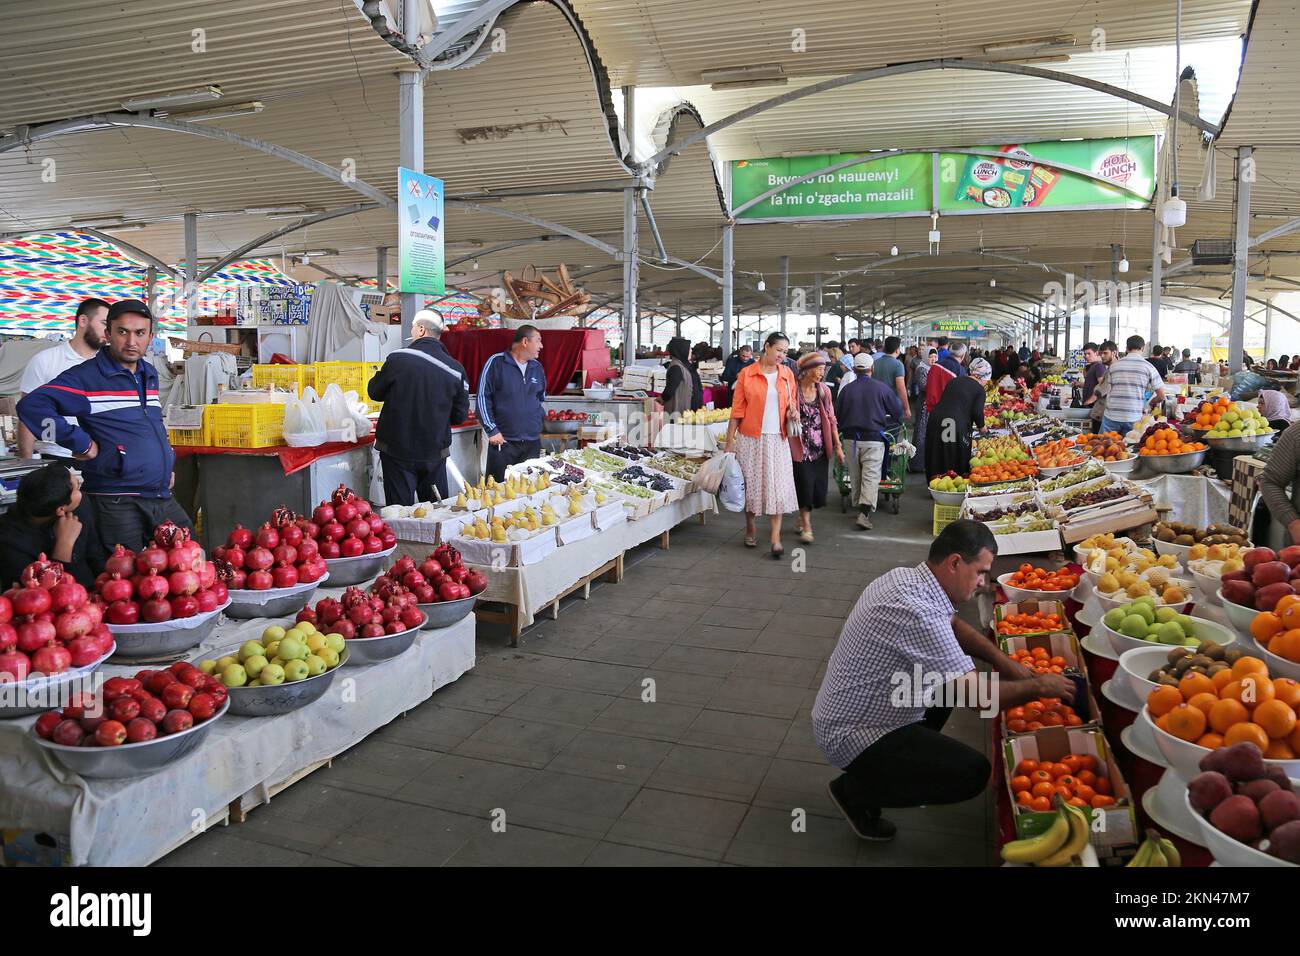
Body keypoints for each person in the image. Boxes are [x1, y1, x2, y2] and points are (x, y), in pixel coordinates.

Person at [815, 519, 1074, 840]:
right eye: (980, 572)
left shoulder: (905, 579)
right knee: (972, 773)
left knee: (945, 686)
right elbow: (980, 699)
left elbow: (952, 625)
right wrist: (1041, 686)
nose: (982, 583)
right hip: (852, 734)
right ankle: (856, 792)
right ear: (954, 562)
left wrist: (1005, 663)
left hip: (859, 707)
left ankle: (885, 769)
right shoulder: (918, 612)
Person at [17, 299, 190, 553]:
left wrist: (163, 462)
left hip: (160, 495)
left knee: (191, 557)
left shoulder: (147, 373)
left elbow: (148, 425)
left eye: (140, 333)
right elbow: (29, 408)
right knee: (128, 575)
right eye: (122, 332)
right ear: (108, 334)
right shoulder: (86, 377)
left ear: (150, 337)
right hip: (117, 500)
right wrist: (79, 442)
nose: (132, 341)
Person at [368, 310, 470, 505]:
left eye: (413, 326)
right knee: (436, 511)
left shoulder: (398, 359)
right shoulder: (456, 369)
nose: (412, 330)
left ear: (421, 329)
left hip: (397, 451)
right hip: (434, 452)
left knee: (399, 514)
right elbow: (459, 416)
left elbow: (375, 392)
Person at [723, 332, 800, 558]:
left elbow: (792, 402)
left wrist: (793, 411)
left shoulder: (787, 375)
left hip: (778, 438)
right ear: (767, 347)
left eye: (785, 352)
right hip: (750, 439)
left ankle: (775, 538)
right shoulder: (747, 374)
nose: (782, 356)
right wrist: (730, 442)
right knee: (752, 485)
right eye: (779, 350)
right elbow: (736, 411)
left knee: (777, 487)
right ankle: (751, 527)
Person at [18, 298, 110, 460]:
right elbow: (28, 416)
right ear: (83, 321)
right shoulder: (46, 361)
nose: (108, 330)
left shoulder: (109, 366)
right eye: (103, 323)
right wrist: (27, 463)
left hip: (99, 456)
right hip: (55, 455)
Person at [0, 463, 104, 589]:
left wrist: (103, 584)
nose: (80, 491)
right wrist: (64, 545)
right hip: (65, 598)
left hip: (94, 592)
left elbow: (95, 554)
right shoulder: (9, 541)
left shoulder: (79, 507)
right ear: (60, 509)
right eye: (77, 488)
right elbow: (38, 596)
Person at [837, 351, 905, 530]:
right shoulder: (882, 388)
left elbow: (837, 414)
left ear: (854, 369)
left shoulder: (846, 390)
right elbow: (897, 412)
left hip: (850, 440)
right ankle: (864, 513)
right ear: (872, 369)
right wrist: (894, 420)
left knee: (855, 474)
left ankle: (858, 504)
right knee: (871, 475)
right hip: (873, 439)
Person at [477, 324, 547, 482]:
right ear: (525, 341)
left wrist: (536, 424)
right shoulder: (496, 363)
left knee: (530, 490)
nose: (541, 346)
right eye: (538, 340)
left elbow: (541, 397)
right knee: (497, 490)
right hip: (503, 442)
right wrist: (492, 430)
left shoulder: (537, 368)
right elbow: (482, 397)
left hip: (532, 442)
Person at [791, 353, 843, 544]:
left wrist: (838, 446)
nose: (822, 373)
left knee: (816, 489)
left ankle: (801, 518)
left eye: (823, 370)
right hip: (799, 447)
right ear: (807, 370)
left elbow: (831, 419)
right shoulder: (792, 390)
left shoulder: (823, 391)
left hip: (820, 447)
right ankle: (807, 525)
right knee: (804, 483)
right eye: (819, 369)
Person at [925, 357, 990, 481]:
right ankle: (951, 484)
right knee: (951, 454)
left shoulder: (955, 380)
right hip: (952, 424)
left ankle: (935, 483)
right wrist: (983, 428)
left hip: (936, 418)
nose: (986, 382)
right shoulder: (979, 389)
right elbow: (977, 412)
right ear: (982, 376)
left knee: (937, 451)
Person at [1100, 335, 1166, 436]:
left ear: (1126, 348)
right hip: (1133, 417)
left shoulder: (1113, 366)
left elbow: (1106, 390)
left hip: (1111, 415)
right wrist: (1153, 402)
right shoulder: (1148, 367)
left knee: (1103, 448)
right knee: (1130, 448)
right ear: (1143, 348)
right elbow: (1161, 396)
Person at [872, 335, 912, 422]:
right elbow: (900, 388)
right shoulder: (898, 365)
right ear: (897, 349)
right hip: (892, 405)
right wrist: (907, 408)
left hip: (876, 404)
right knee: (892, 433)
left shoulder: (875, 363)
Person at [661, 335, 703, 415]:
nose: (691, 351)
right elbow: (670, 389)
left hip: (689, 411)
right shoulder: (676, 367)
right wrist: (662, 398)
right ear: (682, 350)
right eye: (689, 348)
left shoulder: (685, 365)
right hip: (679, 410)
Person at [908, 349, 934, 474]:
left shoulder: (934, 369)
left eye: (935, 356)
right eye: (931, 357)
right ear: (925, 357)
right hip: (924, 404)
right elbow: (924, 386)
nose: (933, 359)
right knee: (921, 433)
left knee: (928, 433)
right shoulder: (921, 369)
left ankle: (926, 462)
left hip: (931, 404)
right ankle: (917, 464)